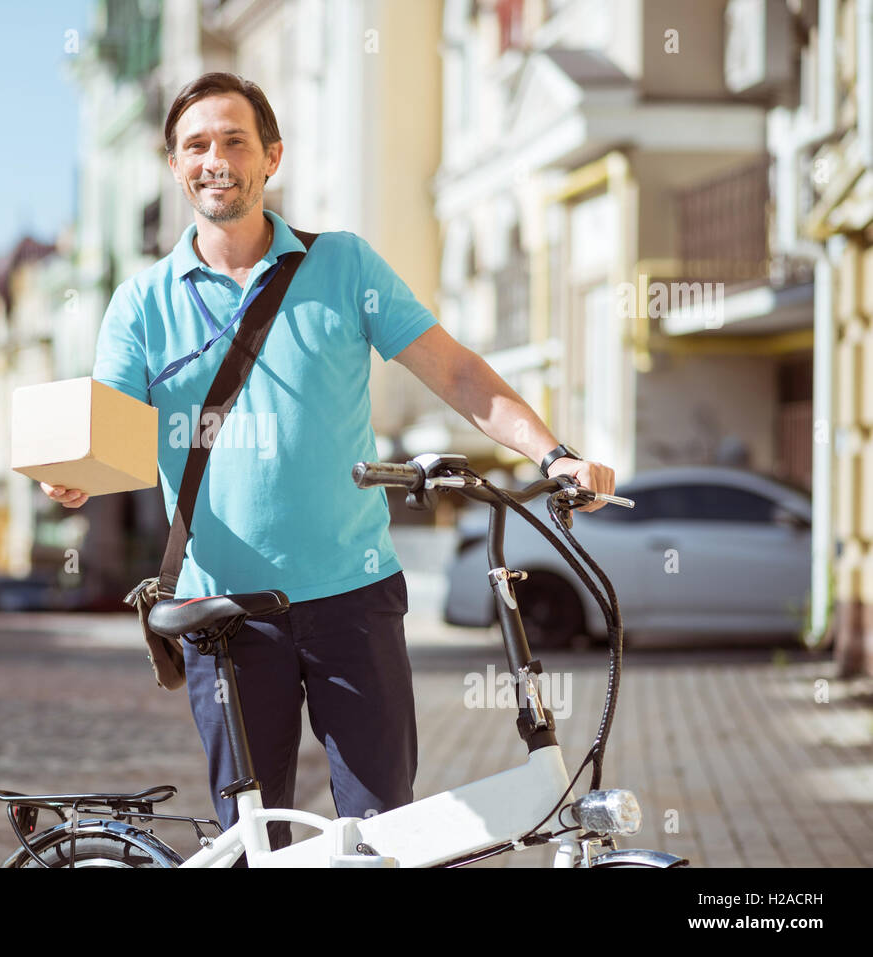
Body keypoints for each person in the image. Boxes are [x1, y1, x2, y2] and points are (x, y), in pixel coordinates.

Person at [39, 72, 615, 854]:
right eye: (196, 145)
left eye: (235, 141)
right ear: (175, 167)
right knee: (258, 845)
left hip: (353, 601)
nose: (216, 159)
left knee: (387, 837)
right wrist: (76, 472)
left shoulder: (343, 266)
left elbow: (456, 372)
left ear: (271, 156)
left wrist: (554, 452)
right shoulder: (142, 302)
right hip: (225, 617)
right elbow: (107, 430)